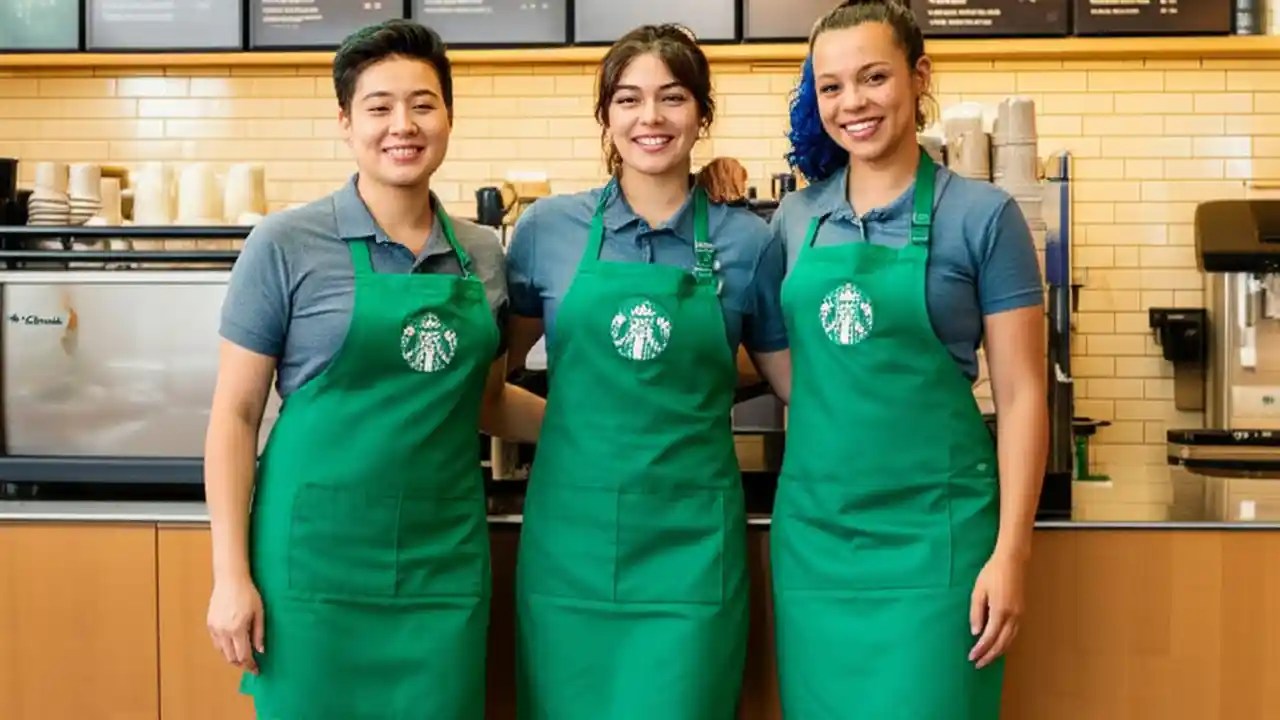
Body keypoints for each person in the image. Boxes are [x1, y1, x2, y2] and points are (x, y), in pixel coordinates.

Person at [202, 19, 543, 720]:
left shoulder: (483, 253)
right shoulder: (286, 243)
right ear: (345, 121)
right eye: (379, 106)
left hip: (439, 567)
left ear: (448, 115)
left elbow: (483, 402)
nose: (403, 125)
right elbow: (234, 416)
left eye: (422, 104)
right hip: (311, 572)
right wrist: (230, 576)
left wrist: (608, 425)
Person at [768, 1, 1048, 718]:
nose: (852, 103)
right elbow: (787, 363)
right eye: (830, 87)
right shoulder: (796, 220)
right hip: (817, 544)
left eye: (873, 77)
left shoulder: (984, 216)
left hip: (939, 544)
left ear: (918, 77)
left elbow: (1021, 396)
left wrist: (1011, 553)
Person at [505, 24, 791, 720]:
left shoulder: (747, 241)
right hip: (569, 546)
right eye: (628, 100)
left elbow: (798, 387)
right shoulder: (548, 231)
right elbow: (486, 387)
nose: (651, 118)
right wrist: (580, 433)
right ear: (606, 116)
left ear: (702, 114)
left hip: (691, 549)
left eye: (673, 98)